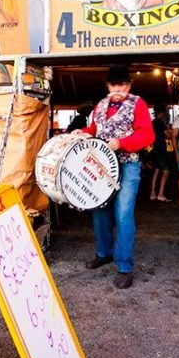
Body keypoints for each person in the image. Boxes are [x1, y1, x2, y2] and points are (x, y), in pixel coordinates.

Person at [74, 65, 154, 289]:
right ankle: (104, 252)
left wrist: (123, 144)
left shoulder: (138, 104)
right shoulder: (100, 104)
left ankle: (125, 266)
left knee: (123, 213)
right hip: (102, 166)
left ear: (129, 86)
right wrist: (83, 132)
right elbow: (95, 128)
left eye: (123, 85)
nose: (119, 89)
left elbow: (147, 134)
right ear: (108, 86)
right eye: (115, 85)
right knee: (99, 209)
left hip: (128, 165)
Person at [149, 104, 173, 202]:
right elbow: (168, 135)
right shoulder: (160, 123)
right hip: (161, 149)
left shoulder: (153, 122)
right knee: (166, 171)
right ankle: (161, 194)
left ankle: (152, 193)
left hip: (155, 149)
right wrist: (168, 129)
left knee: (157, 170)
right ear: (162, 113)